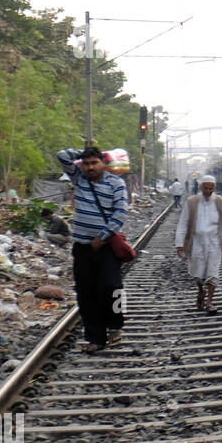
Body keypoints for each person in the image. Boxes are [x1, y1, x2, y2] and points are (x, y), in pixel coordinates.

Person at [56, 146, 128, 353]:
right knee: (86, 295)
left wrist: (102, 236)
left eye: (94, 162)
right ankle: (95, 338)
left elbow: (121, 213)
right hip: (82, 248)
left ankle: (116, 326)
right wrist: (80, 152)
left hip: (106, 248)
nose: (90, 167)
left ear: (104, 163)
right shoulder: (79, 179)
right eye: (86, 164)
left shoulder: (116, 183)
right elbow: (62, 155)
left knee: (113, 288)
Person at [175, 175, 222, 314]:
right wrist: (179, 243)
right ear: (200, 187)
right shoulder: (192, 202)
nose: (208, 191)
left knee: (213, 271)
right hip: (197, 242)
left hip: (214, 241)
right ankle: (201, 290)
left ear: (214, 188)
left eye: (211, 188)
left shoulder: (219, 201)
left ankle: (209, 302)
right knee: (198, 271)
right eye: (205, 188)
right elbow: (183, 223)